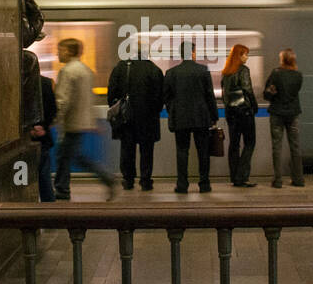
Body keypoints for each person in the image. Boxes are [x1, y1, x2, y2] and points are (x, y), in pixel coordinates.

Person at [53, 38, 115, 200]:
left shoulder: (67, 71)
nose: (57, 53)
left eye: (60, 50)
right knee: (71, 156)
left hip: (70, 122)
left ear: (69, 51)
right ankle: (63, 188)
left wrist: (55, 118)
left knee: (66, 157)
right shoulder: (85, 70)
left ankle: (63, 190)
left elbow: (63, 99)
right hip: (81, 121)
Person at [163, 41, 218, 193]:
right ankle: (204, 184)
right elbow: (209, 96)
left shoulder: (171, 73)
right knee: (203, 152)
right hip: (201, 118)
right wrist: (214, 116)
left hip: (180, 119)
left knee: (182, 151)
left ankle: (182, 184)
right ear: (193, 52)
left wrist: (172, 111)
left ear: (181, 54)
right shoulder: (203, 70)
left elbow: (166, 97)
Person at [107, 44, 164, 191]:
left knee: (127, 148)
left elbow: (111, 93)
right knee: (147, 150)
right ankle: (145, 181)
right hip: (148, 118)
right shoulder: (154, 70)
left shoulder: (121, 68)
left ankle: (128, 180)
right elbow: (160, 98)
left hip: (127, 118)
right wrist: (153, 111)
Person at [264, 48, 304, 187]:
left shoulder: (276, 73)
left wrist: (272, 93)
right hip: (293, 114)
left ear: (282, 59)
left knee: (277, 147)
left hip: (277, 114)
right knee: (295, 147)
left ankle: (278, 180)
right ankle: (298, 179)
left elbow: (267, 93)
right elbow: (295, 92)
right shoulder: (298, 75)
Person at [220, 43, 258, 187]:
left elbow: (225, 94)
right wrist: (253, 106)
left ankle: (234, 177)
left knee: (234, 145)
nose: (246, 57)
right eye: (245, 54)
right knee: (250, 143)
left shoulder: (226, 72)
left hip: (231, 113)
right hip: (245, 112)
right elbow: (248, 89)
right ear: (239, 55)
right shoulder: (243, 70)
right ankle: (242, 176)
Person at [31, 74, 57, 202]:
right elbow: (53, 110)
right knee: (44, 176)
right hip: (43, 138)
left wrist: (30, 129)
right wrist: (43, 127)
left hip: (24, 140)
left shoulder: (16, 83)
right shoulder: (47, 83)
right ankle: (50, 207)